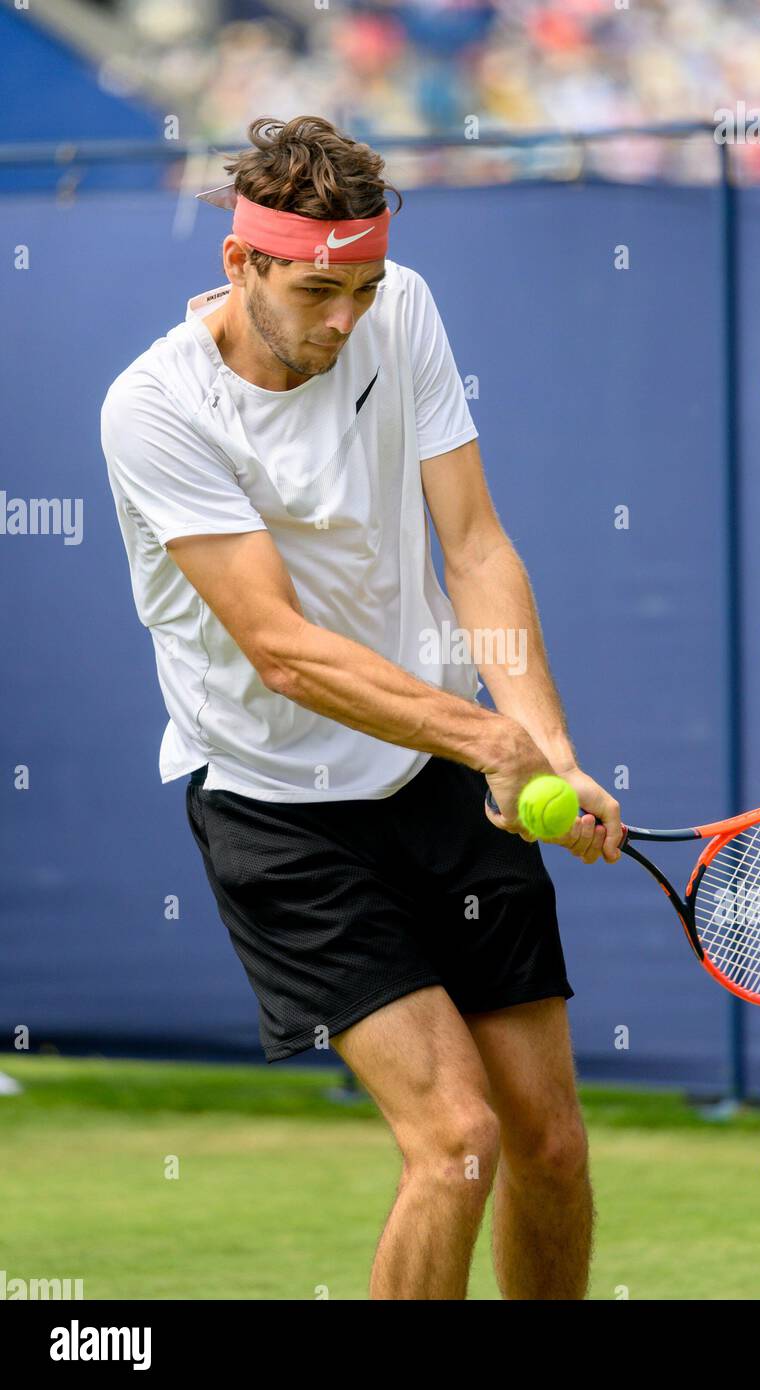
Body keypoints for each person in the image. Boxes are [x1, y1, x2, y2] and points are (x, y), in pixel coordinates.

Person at [101, 114, 623, 1300]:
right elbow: (283, 652)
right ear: (240, 263)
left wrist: (545, 749)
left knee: (547, 1141)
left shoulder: (403, 310)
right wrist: (491, 738)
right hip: (280, 812)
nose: (347, 318)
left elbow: (474, 546)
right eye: (317, 290)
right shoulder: (153, 406)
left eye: (364, 287)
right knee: (457, 1141)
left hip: (437, 780)